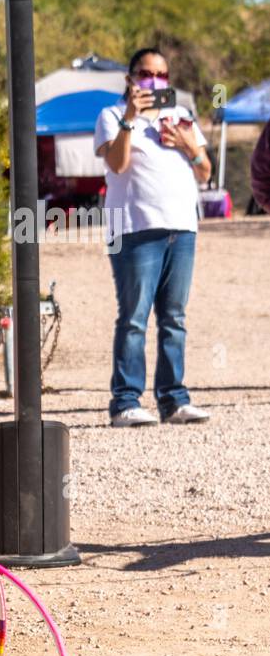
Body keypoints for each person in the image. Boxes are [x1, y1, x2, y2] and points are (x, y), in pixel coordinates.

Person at [93, 48, 211, 426]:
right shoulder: (111, 115)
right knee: (134, 318)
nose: (154, 80)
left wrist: (189, 147)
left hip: (182, 227)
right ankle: (126, 402)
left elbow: (205, 172)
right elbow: (117, 163)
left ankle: (174, 400)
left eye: (162, 74)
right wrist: (130, 118)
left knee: (174, 317)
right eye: (146, 73)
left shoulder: (182, 116)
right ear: (130, 78)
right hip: (134, 228)